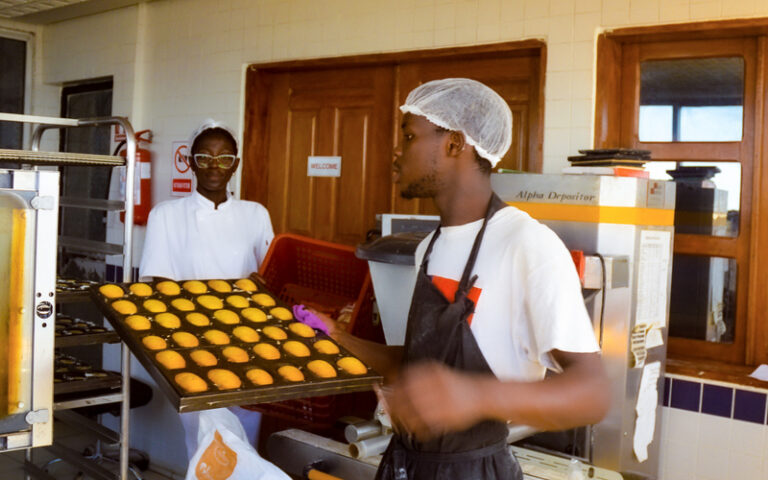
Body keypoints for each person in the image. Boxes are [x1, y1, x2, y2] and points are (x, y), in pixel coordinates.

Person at [315, 78, 611, 479]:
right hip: (407, 464)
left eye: (409, 136)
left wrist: (472, 396)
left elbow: (592, 394)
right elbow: (419, 365)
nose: (397, 151)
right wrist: (338, 338)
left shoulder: (527, 244)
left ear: (455, 144)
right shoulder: (429, 246)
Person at [139, 120, 274, 458]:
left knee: (246, 437)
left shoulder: (255, 214)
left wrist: (262, 284)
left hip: (247, 340)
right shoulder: (167, 215)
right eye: (205, 157)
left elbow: (270, 278)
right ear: (190, 162)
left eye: (225, 158)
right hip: (193, 341)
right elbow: (161, 284)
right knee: (203, 441)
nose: (215, 166)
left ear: (235, 165)